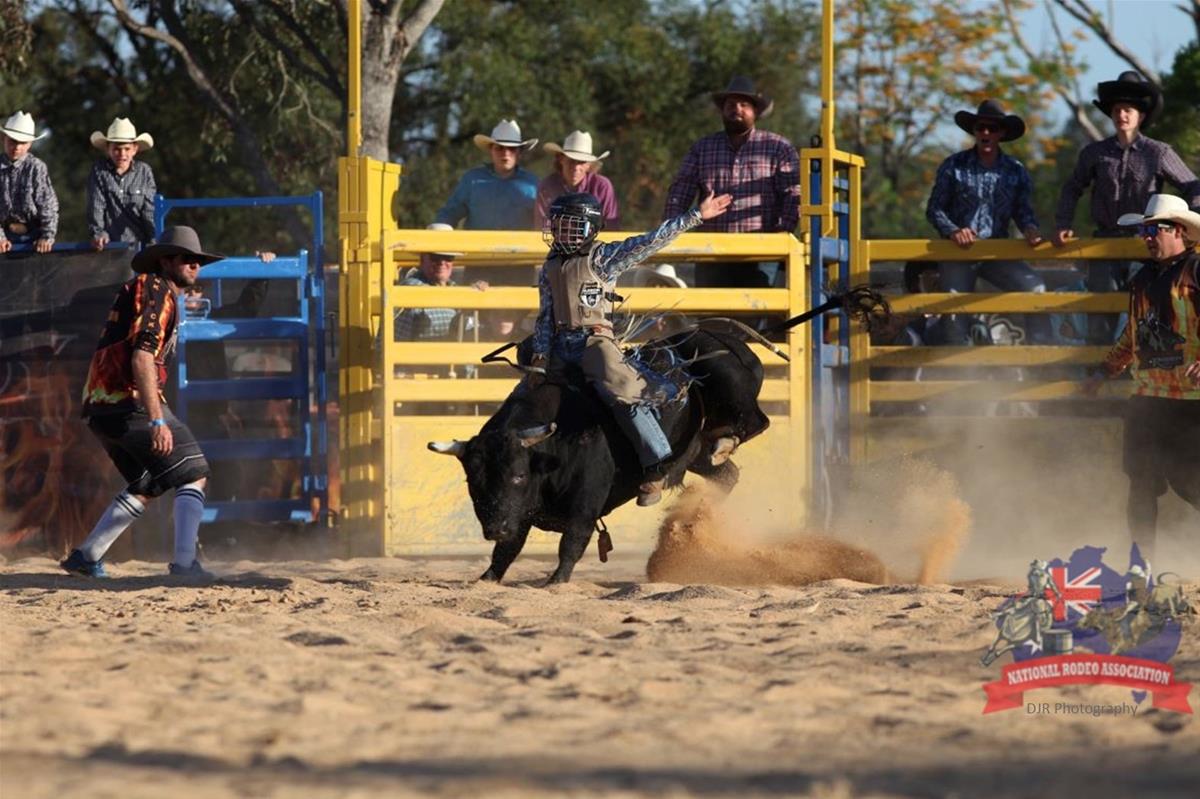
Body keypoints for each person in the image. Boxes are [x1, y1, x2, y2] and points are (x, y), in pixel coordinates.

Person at [530, 189, 732, 506]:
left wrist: (694, 216)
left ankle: (657, 464)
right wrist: (540, 355)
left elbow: (650, 241)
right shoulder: (550, 264)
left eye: (568, 225)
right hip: (560, 345)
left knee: (624, 395)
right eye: (557, 224)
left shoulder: (602, 257)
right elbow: (545, 314)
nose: (559, 231)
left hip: (595, 342)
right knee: (529, 396)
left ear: (588, 228)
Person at [60, 226, 224, 578]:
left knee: (148, 482)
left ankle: (87, 556)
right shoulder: (157, 292)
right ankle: (184, 564)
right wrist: (156, 420)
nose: (195, 265)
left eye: (198, 260)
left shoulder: (150, 289)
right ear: (167, 261)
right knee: (194, 473)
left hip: (101, 405)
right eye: (187, 258)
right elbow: (142, 357)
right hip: (125, 400)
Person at [1082, 194, 1200, 561]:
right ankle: (1142, 561)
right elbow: (1134, 334)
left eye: (1156, 229)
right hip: (1148, 397)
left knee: (1191, 484)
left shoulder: (1196, 271)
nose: (1148, 237)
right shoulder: (1142, 278)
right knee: (1141, 482)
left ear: (1180, 231)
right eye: (1145, 230)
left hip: (1191, 401)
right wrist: (1105, 370)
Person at [1053, 71, 1200, 344]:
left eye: (1128, 110)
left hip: (1143, 242)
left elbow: (1193, 185)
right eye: (1118, 109)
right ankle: (1097, 373)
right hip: (1105, 241)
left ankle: (1132, 371)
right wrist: (1063, 223)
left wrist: (1189, 221)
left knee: (1141, 305)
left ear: (1140, 116)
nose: (1122, 115)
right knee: (1100, 308)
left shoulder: (1158, 152)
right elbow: (1072, 187)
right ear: (1111, 114)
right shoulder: (1095, 153)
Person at [925, 99, 1050, 345]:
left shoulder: (1015, 170)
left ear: (1001, 134)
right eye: (981, 127)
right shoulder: (954, 165)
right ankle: (956, 377)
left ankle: (1042, 358)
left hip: (997, 251)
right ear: (974, 130)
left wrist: (1030, 228)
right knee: (953, 316)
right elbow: (934, 209)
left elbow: (1023, 210)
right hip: (959, 251)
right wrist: (953, 231)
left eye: (992, 129)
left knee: (1036, 289)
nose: (985, 133)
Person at [663, 76, 799, 288]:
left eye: (744, 104)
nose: (737, 109)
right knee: (711, 317)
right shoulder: (702, 148)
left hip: (761, 251)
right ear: (723, 110)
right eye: (731, 104)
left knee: (759, 314)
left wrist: (783, 231)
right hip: (711, 252)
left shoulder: (778, 147)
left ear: (755, 112)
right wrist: (669, 230)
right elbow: (680, 192)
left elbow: (793, 193)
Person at [435, 119, 539, 285]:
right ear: (491, 150)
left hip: (518, 264)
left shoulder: (533, 185)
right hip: (480, 262)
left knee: (516, 310)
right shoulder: (473, 180)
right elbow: (449, 214)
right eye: (500, 148)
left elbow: (543, 221)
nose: (506, 153)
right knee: (478, 308)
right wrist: (438, 237)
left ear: (519, 152)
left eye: (511, 149)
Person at [394, 223, 487, 342]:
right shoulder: (411, 289)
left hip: (452, 358)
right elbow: (394, 339)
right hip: (422, 359)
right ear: (422, 259)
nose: (442, 262)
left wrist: (477, 295)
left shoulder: (455, 288)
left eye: (448, 257)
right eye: (435, 257)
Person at [87, 117, 158, 250]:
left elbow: (149, 209)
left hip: (139, 244)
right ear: (108, 149)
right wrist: (98, 233)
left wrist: (153, 240)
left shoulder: (144, 172)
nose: (122, 154)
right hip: (109, 247)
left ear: (135, 149)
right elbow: (96, 206)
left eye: (127, 149)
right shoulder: (99, 171)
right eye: (116, 149)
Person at [534, 130, 619, 230]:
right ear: (561, 159)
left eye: (581, 162)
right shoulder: (547, 186)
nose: (576, 167)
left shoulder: (602, 186)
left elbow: (611, 226)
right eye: (571, 160)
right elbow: (542, 227)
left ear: (589, 165)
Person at [0, 111, 58, 254]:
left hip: (33, 236)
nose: (17, 147)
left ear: (29, 144)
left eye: (22, 142)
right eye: (13, 140)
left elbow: (48, 205)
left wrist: (47, 236)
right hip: (4, 235)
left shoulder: (36, 167)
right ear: (3, 138)